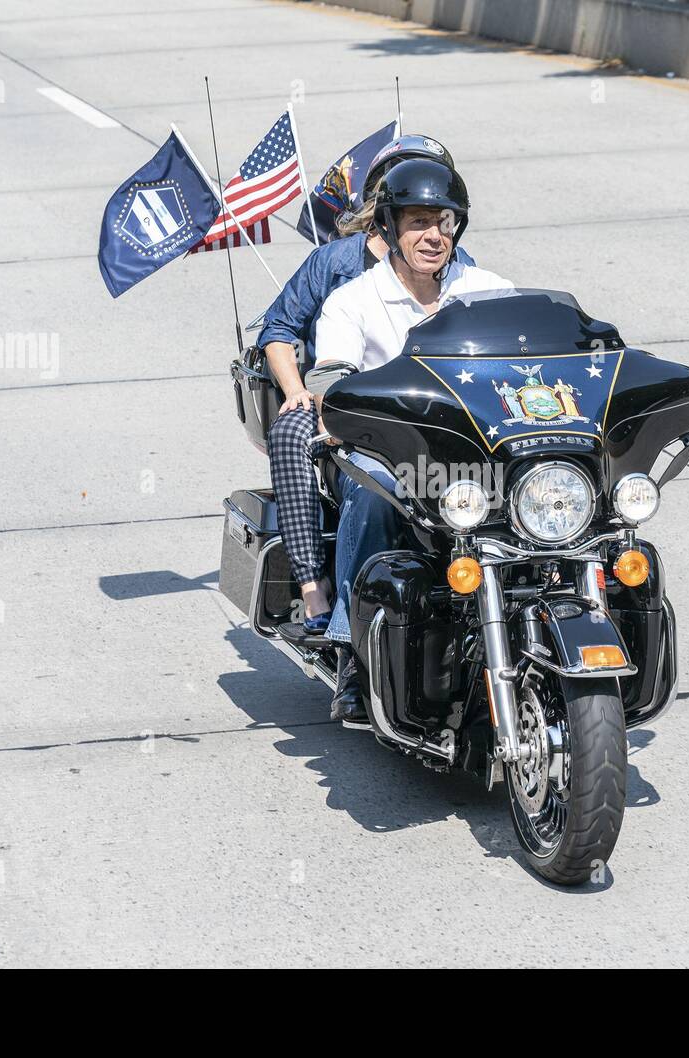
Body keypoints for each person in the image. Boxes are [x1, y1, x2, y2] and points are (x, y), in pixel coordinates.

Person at [308, 158, 514, 723]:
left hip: (479, 456)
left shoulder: (487, 290)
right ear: (389, 228)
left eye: (444, 222)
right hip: (393, 455)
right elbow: (328, 377)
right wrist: (342, 415)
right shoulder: (355, 300)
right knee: (374, 496)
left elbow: (536, 353)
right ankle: (351, 649)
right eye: (418, 221)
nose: (433, 235)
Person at [259, 136, 474, 635]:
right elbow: (279, 330)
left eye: (438, 212)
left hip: (433, 405)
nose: (431, 229)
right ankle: (317, 593)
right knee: (292, 431)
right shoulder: (336, 265)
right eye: (414, 211)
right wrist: (298, 391)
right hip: (340, 397)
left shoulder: (458, 267)